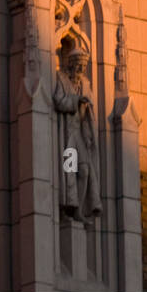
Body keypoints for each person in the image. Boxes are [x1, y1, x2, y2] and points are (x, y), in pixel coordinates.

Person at [53, 42, 102, 222]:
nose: (81, 69)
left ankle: (80, 208)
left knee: (85, 170)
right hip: (68, 135)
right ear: (71, 65)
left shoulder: (85, 84)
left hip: (80, 134)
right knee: (70, 168)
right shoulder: (61, 79)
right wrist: (76, 100)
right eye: (78, 66)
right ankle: (70, 206)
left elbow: (91, 110)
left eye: (83, 66)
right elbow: (59, 101)